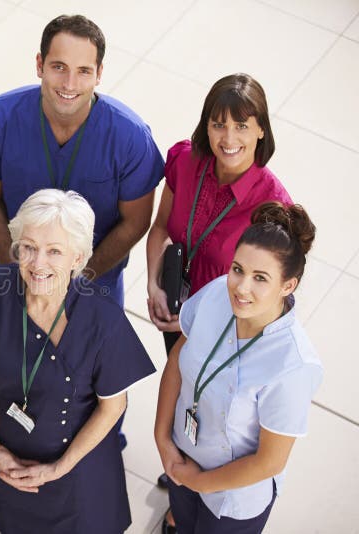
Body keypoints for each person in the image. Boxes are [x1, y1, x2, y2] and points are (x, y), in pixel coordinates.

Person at [0, 13, 164, 469]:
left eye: (83, 70)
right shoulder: (0, 118)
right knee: (1, 362)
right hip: (14, 267)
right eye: (58, 66)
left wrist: (74, 276)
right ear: (39, 64)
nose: (69, 82)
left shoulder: (128, 137)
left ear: (99, 74)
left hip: (93, 280)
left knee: (93, 379)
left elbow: (135, 222)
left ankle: (97, 447)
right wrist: (19, 268)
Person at [144, 73, 293, 530]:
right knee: (184, 390)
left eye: (243, 126)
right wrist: (153, 284)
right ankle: (181, 479)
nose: (228, 138)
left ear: (262, 130)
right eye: (218, 123)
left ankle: (196, 486)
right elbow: (161, 227)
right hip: (178, 311)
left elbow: (273, 290)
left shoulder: (273, 205)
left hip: (229, 329)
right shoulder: (187, 160)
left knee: (216, 408)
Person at [0, 189, 156, 533]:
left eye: (54, 251)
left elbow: (113, 407)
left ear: (77, 257)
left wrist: (59, 468)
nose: (38, 264)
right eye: (29, 247)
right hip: (5, 458)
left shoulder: (103, 320)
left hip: (77, 472)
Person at [154, 202, 322, 534]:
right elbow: (177, 362)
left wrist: (200, 481)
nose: (241, 287)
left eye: (260, 278)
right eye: (238, 269)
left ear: (288, 286)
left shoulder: (294, 364)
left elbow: (269, 461)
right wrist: (162, 437)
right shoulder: (218, 292)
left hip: (233, 499)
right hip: (181, 463)